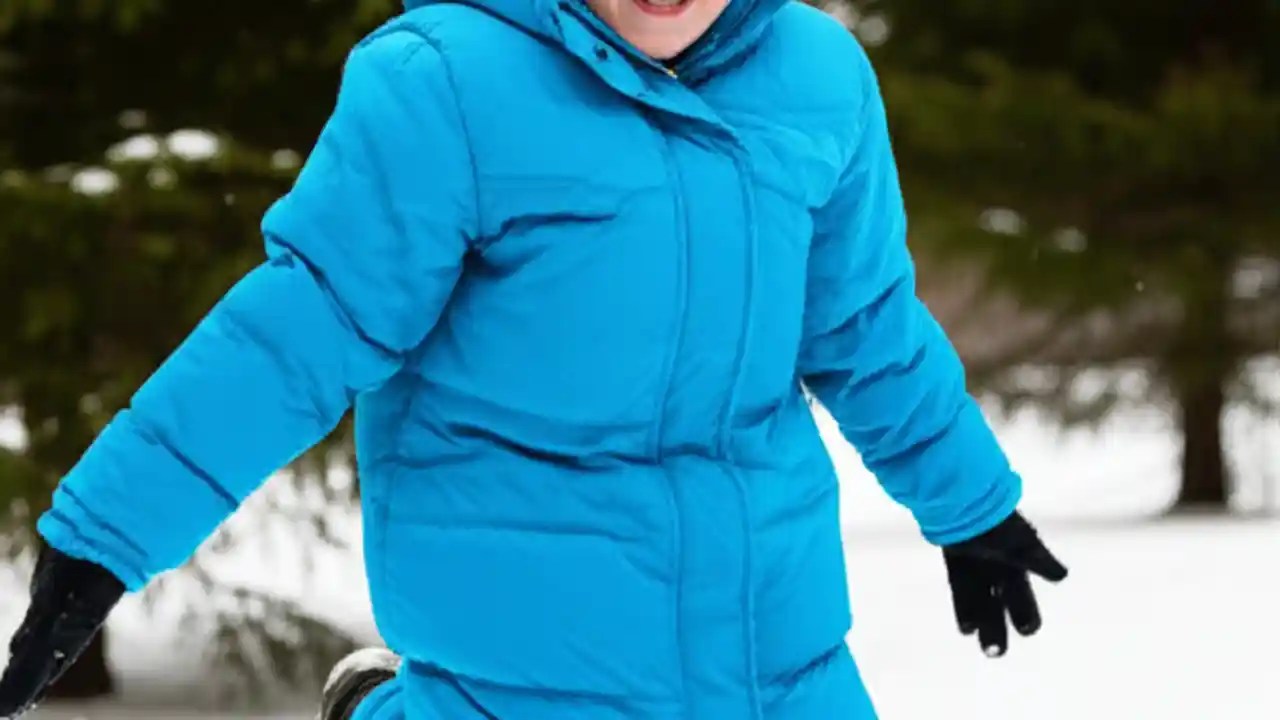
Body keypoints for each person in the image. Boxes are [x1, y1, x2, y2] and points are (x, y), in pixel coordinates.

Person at [0, 0, 1069, 717]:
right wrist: (109, 536)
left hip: (776, 648)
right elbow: (295, 332)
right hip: (519, 659)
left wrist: (967, 503)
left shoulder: (816, 78)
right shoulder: (446, 84)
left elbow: (863, 326)